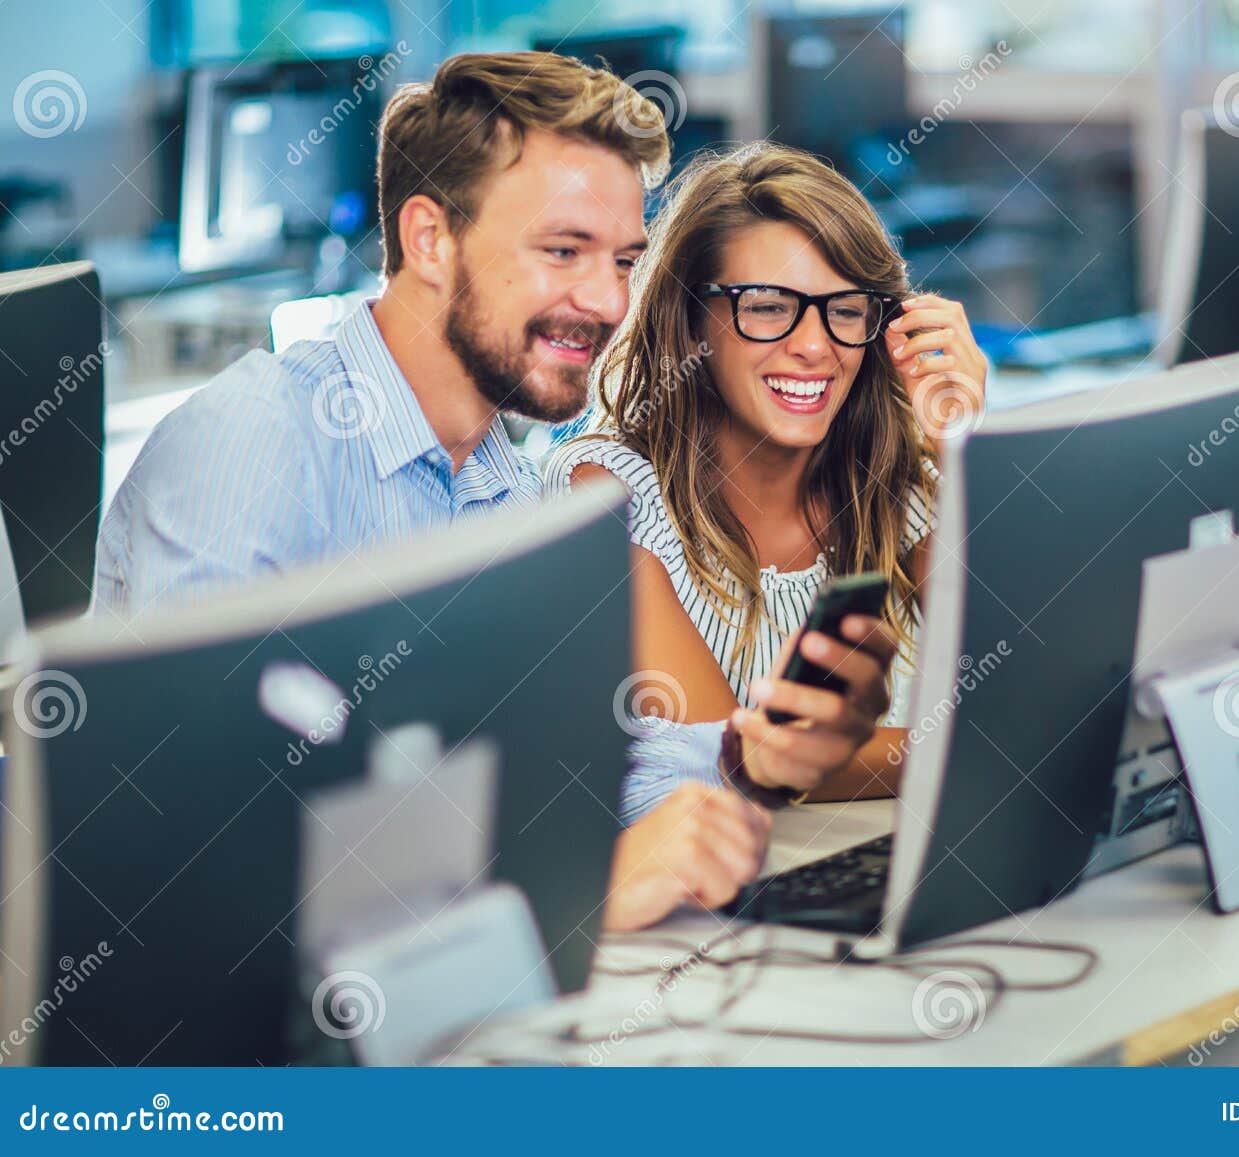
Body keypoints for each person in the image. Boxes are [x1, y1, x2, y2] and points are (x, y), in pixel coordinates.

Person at [91, 54, 898, 932]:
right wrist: (579, 880)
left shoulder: (502, 482)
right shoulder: (257, 437)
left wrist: (758, 756)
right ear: (430, 238)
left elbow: (602, 759)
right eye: (563, 250)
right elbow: (204, 831)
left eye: (624, 259)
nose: (606, 300)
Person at [545, 143, 987, 802]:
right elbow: (735, 761)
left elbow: (1029, 680)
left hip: (895, 864)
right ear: (690, 317)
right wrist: (970, 747)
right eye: (767, 305)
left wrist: (959, 448)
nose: (813, 346)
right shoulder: (606, 497)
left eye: (844, 309)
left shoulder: (902, 488)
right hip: (737, 895)